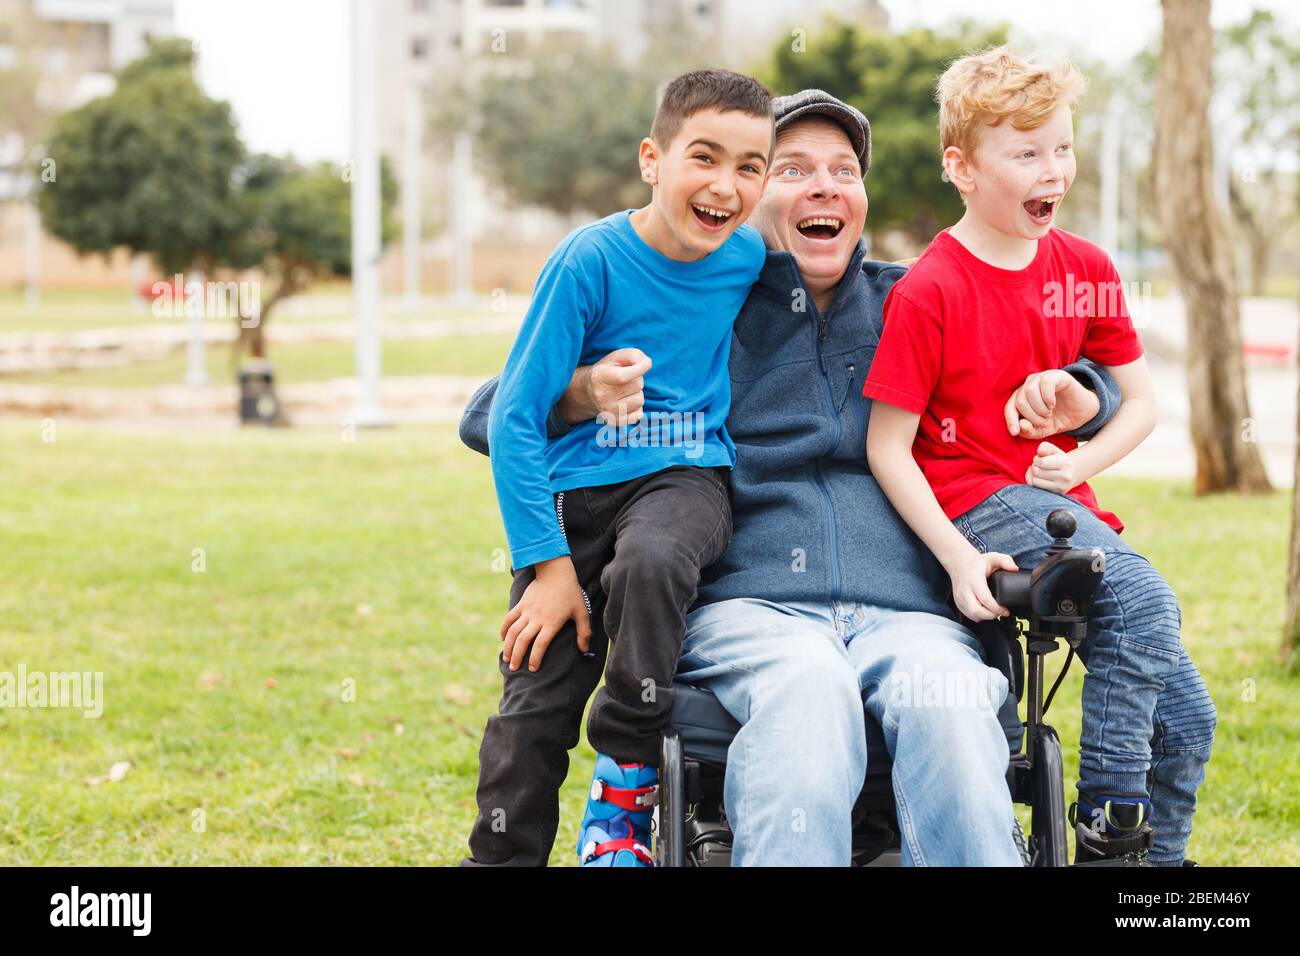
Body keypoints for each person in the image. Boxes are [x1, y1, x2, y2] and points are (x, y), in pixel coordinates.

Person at [462, 89, 1125, 866]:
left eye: (843, 170)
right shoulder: (711, 295)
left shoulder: (912, 297)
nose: (823, 186)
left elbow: (1052, 356)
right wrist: (584, 393)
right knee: (807, 700)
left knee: (948, 704)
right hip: (753, 608)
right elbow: (493, 411)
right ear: (752, 198)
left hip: (910, 611)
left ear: (861, 198)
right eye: (792, 168)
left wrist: (1086, 391)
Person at [864, 47, 1215, 865]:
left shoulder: (1086, 268)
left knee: (1189, 719)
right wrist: (955, 556)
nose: (1051, 169)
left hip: (1057, 500)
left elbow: (1146, 403)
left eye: (1060, 147)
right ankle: (1110, 837)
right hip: (975, 500)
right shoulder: (930, 288)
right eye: (1025, 153)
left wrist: (1082, 462)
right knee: (1144, 600)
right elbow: (888, 447)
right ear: (963, 167)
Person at [465, 69, 775, 867]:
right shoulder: (587, 262)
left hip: (685, 479)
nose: (725, 184)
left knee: (654, 557)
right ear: (651, 159)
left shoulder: (748, 257)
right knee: (530, 707)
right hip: (574, 502)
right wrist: (548, 568)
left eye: (750, 166)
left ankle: (625, 783)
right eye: (703, 157)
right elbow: (513, 418)